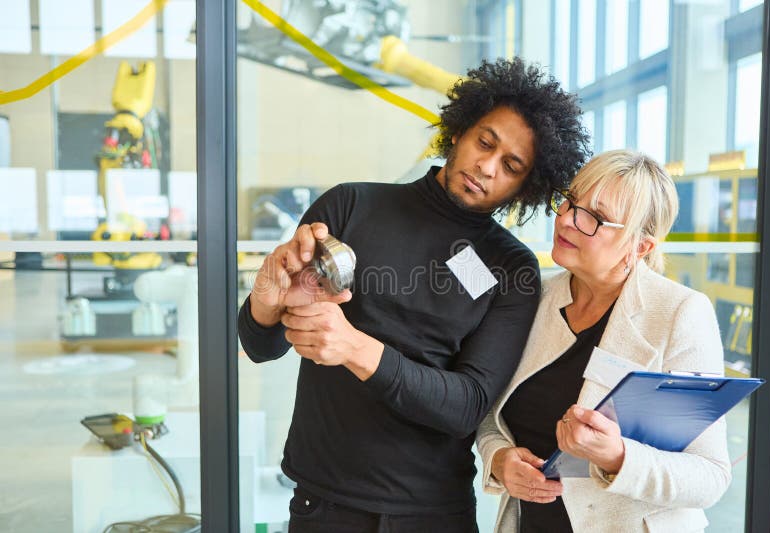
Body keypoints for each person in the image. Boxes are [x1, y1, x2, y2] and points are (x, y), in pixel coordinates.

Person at [237, 57, 590, 532]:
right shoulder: (350, 206)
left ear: (526, 185)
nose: (486, 167)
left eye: (511, 165)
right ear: (459, 131)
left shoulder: (511, 268)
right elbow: (260, 346)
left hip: (433, 513)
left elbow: (468, 404)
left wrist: (354, 348)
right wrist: (268, 297)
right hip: (323, 505)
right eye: (485, 142)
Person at [476, 149, 732, 533]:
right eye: (570, 201)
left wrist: (619, 457)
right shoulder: (533, 299)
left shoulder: (680, 313)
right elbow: (488, 409)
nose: (566, 220)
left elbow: (710, 475)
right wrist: (498, 459)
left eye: (594, 217)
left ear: (641, 246)